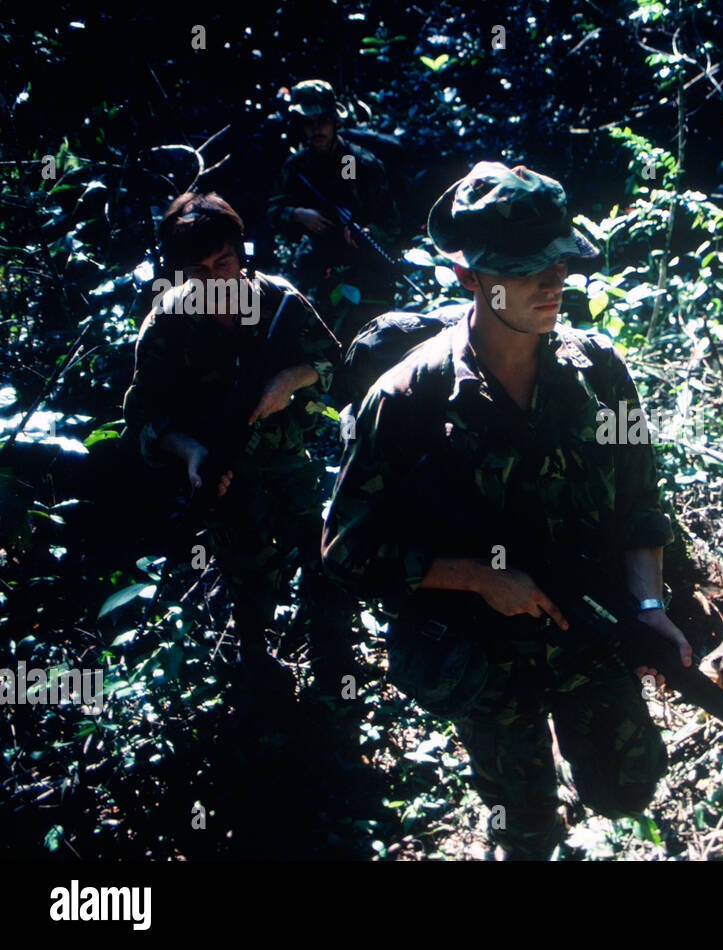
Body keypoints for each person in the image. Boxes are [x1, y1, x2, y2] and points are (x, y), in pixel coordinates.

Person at [322, 162, 691, 859]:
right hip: (485, 657)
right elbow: (345, 549)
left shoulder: (599, 370)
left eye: (559, 263)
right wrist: (479, 577)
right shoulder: (407, 401)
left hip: (588, 625)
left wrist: (647, 606)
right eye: (526, 271)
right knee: (525, 820)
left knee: (628, 786)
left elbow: (642, 501)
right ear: (470, 277)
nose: (552, 283)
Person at [123, 192, 357, 704]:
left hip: (289, 460)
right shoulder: (169, 322)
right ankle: (256, 660)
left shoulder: (281, 302)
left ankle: (334, 659)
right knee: (246, 568)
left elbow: (336, 367)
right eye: (196, 272)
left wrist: (289, 381)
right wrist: (189, 454)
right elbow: (142, 418)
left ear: (239, 253)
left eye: (221, 262)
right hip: (222, 471)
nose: (213, 280)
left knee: (324, 555)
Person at [267, 79, 401, 348]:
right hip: (315, 264)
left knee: (367, 343)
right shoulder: (296, 167)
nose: (316, 128)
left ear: (335, 120)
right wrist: (297, 214)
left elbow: (392, 224)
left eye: (323, 120)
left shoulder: (361, 163)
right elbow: (272, 211)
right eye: (308, 122)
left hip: (362, 265)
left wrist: (366, 232)